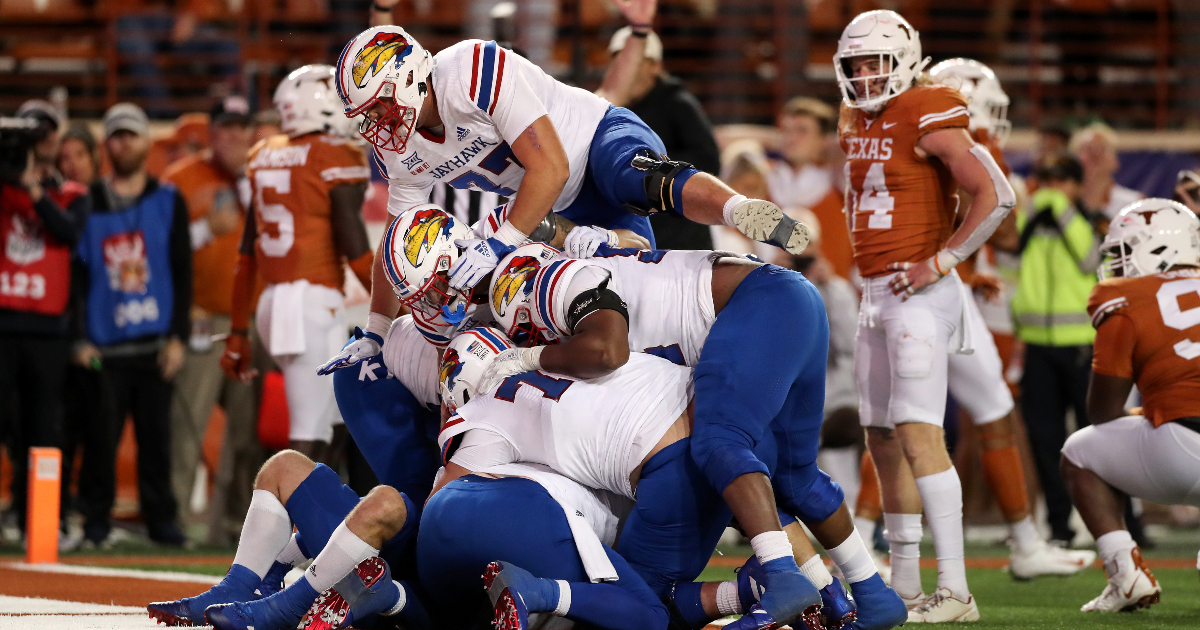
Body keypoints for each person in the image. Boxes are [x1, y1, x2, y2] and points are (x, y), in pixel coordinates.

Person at [467, 239, 904, 630]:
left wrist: (531, 355)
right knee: (792, 477)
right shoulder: (588, 267)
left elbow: (606, 350)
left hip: (759, 304)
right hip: (783, 300)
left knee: (720, 442)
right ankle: (871, 593)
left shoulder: (569, 290)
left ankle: (782, 575)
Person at [325, 22, 810, 372]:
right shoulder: (400, 148)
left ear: (410, 78)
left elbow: (551, 166)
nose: (375, 126)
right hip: (557, 208)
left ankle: (738, 209)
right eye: (366, 116)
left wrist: (500, 242)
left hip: (591, 141)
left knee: (640, 179)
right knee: (621, 267)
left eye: (379, 107)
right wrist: (376, 328)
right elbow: (396, 238)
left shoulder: (472, 70)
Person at [834, 9, 1017, 622]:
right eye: (855, 65)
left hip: (917, 292)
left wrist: (943, 261)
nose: (865, 76)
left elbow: (996, 195)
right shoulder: (851, 115)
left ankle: (958, 591)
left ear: (906, 60)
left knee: (917, 433)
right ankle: (908, 583)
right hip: (874, 293)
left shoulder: (928, 108)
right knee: (882, 438)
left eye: (877, 63)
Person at [925, 57, 1096, 579]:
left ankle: (1025, 542)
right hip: (913, 292)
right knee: (903, 426)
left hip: (939, 287)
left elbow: (990, 231)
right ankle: (873, 544)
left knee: (988, 411)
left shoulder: (937, 142)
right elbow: (996, 229)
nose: (994, 121)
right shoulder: (926, 142)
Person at [220, 65, 375, 462]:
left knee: (336, 425)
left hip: (277, 304)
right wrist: (404, 305)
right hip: (308, 305)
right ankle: (282, 522)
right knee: (308, 434)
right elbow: (357, 255)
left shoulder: (264, 154)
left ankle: (317, 519)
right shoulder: (333, 156)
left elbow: (246, 256)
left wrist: (239, 330)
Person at [1063, 198, 1200, 612]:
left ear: (1157, 249)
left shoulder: (1125, 297)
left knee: (1079, 452)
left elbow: (1102, 412)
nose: (1118, 266)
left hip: (1185, 448)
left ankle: (1126, 575)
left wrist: (1151, 409)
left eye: (1124, 253)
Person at [75, 103, 191, 547]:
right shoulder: (87, 203)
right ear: (107, 144)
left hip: (155, 345)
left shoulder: (168, 200)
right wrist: (80, 337)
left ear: (147, 143)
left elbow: (182, 272)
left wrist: (178, 337)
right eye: (116, 136)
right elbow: (79, 277)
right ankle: (96, 521)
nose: (123, 143)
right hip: (104, 349)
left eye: (131, 135)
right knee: (100, 443)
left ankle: (161, 520)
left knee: (156, 443)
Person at [161, 95, 258, 521]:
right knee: (187, 426)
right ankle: (174, 519)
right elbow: (155, 248)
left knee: (248, 431)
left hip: (250, 321)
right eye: (226, 126)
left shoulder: (265, 178)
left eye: (242, 126)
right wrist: (204, 229)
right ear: (212, 133)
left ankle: (240, 527)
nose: (235, 135)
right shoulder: (180, 179)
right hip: (200, 317)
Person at [0, 101, 90, 535]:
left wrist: (32, 189)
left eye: (47, 133)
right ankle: (14, 509)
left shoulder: (71, 191)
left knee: (43, 427)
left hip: (48, 332)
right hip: (3, 324)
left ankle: (42, 519)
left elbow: (69, 233)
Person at [1010, 154, 1103, 547]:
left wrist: (1061, 209)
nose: (1051, 188)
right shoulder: (1030, 223)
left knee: (1099, 438)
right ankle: (1061, 527)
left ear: (1077, 186)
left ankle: (1119, 526)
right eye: (1045, 179)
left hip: (1081, 346)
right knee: (1045, 441)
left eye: (1061, 181)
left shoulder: (1089, 221)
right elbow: (1012, 248)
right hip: (1037, 345)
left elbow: (1090, 259)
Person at [604, 24, 720, 250]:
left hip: (681, 238)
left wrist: (650, 169)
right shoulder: (611, 108)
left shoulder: (678, 104)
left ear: (655, 66)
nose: (625, 71)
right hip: (633, 233)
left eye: (634, 63)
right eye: (619, 62)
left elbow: (708, 159)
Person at [767, 97, 854, 279]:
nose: (791, 138)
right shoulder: (767, 175)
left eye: (802, 131)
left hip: (830, 286)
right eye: (785, 131)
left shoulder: (838, 178)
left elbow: (854, 147)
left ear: (825, 139)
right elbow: (719, 139)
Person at [1070, 122, 1142, 221]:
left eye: (1102, 148)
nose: (1095, 154)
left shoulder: (1133, 205)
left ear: (1115, 161)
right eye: (1088, 148)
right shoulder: (1063, 204)